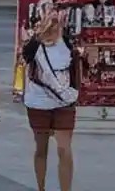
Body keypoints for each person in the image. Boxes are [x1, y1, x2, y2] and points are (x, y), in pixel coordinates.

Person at [21, 12, 78, 191]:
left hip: (64, 103)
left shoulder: (67, 43)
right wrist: (38, 36)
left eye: (56, 25)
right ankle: (41, 187)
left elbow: (75, 68)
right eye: (49, 25)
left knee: (64, 149)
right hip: (38, 103)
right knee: (41, 148)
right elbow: (26, 57)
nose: (53, 29)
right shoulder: (34, 45)